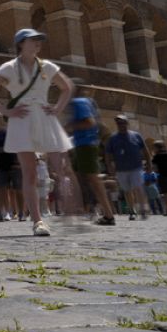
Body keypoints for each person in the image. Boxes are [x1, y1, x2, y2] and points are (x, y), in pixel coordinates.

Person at [0, 28, 74, 237]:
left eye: (39, 40)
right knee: (29, 173)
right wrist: (5, 111)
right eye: (33, 40)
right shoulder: (10, 67)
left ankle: (70, 213)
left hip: (44, 115)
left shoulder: (47, 66)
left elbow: (66, 87)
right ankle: (37, 221)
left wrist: (57, 108)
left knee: (61, 168)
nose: (37, 43)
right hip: (21, 118)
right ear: (21, 44)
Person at [65, 81, 116, 225]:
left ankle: (108, 214)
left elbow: (89, 122)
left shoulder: (78, 102)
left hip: (85, 144)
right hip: (86, 144)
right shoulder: (87, 101)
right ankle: (94, 210)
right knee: (83, 178)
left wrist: (68, 126)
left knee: (93, 180)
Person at [104, 114, 150, 220]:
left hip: (136, 167)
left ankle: (143, 209)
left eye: (122, 123)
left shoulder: (136, 136)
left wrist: (149, 164)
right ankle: (132, 210)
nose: (120, 125)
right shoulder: (112, 138)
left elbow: (145, 151)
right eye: (118, 123)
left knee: (138, 187)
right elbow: (108, 154)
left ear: (127, 123)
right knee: (127, 190)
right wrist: (109, 166)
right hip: (121, 169)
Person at [0, 113, 22, 221]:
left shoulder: (11, 131)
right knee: (2, 188)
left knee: (18, 189)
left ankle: (21, 212)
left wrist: (19, 163)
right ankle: (4, 211)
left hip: (14, 163)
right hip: (1, 165)